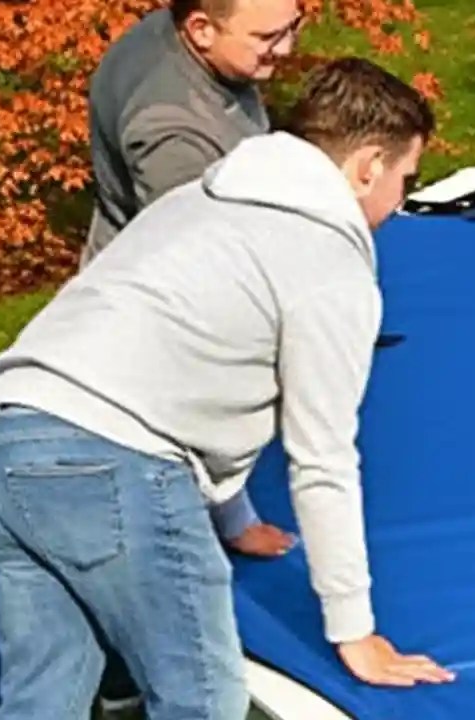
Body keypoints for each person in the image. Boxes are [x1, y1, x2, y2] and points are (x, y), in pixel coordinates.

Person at [0, 57, 456, 720]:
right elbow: (323, 456)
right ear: (368, 165)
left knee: (46, 694)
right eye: (405, 178)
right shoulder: (327, 260)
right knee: (205, 699)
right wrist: (353, 631)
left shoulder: (197, 201)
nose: (399, 201)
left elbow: (178, 365)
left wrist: (237, 520)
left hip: (1, 438)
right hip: (109, 459)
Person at [85, 0, 303, 559]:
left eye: (293, 26)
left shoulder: (195, 44)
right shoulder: (174, 133)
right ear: (201, 30)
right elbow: (201, 268)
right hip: (148, 312)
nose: (286, 49)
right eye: (267, 37)